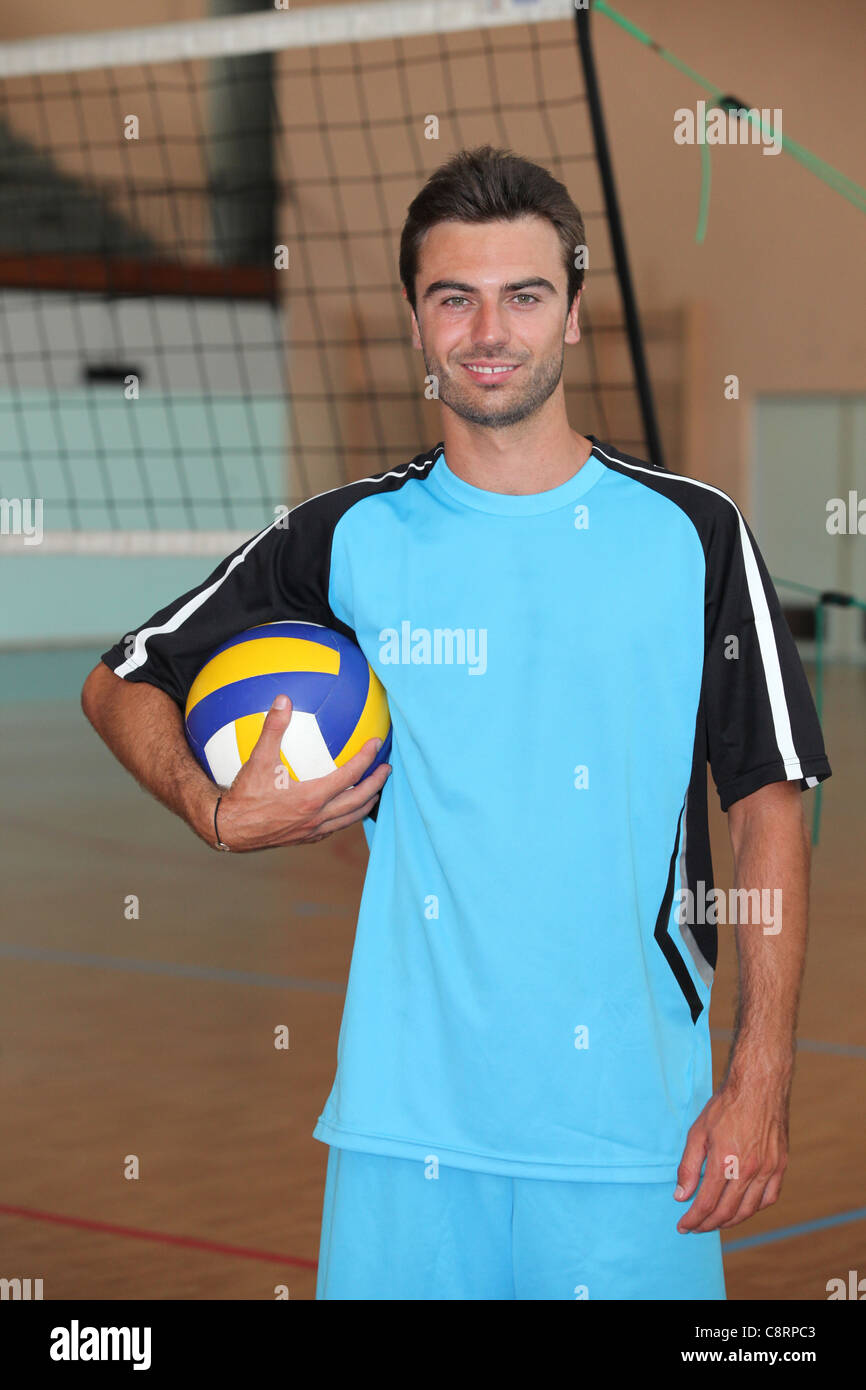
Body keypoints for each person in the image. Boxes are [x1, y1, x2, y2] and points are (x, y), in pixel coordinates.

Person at [82, 145, 831, 1301]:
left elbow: (767, 798)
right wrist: (213, 811)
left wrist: (761, 1072)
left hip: (632, 1133)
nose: (490, 329)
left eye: (524, 294)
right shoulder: (342, 541)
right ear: (415, 321)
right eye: (455, 297)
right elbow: (124, 675)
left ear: (573, 311)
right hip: (404, 1129)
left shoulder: (693, 534)